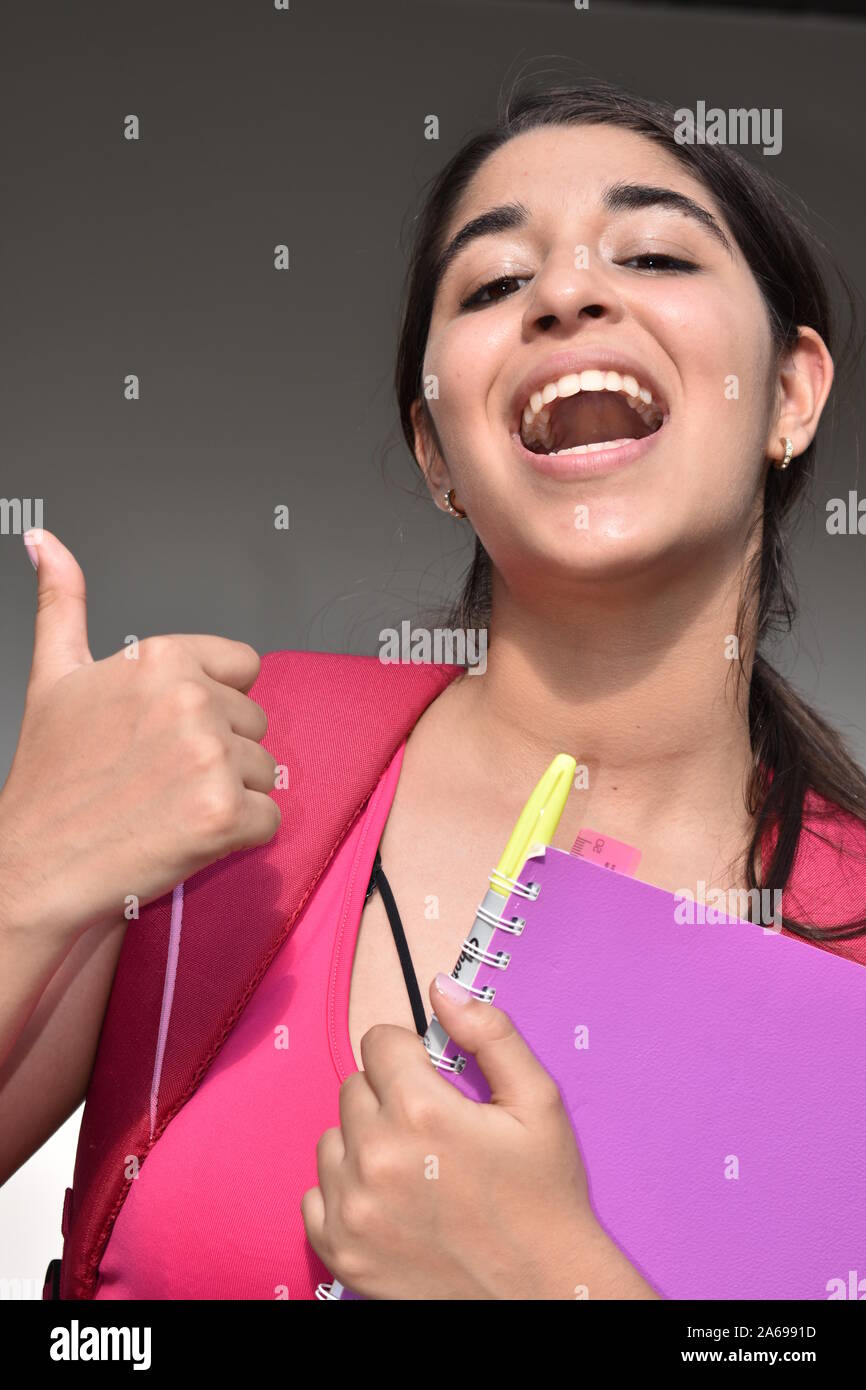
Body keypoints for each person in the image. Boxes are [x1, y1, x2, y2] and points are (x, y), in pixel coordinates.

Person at [2, 77, 865, 1301]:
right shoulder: (225, 768)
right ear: (436, 450)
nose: (566, 293)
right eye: (495, 283)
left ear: (786, 393)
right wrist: (22, 878)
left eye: (655, 252)